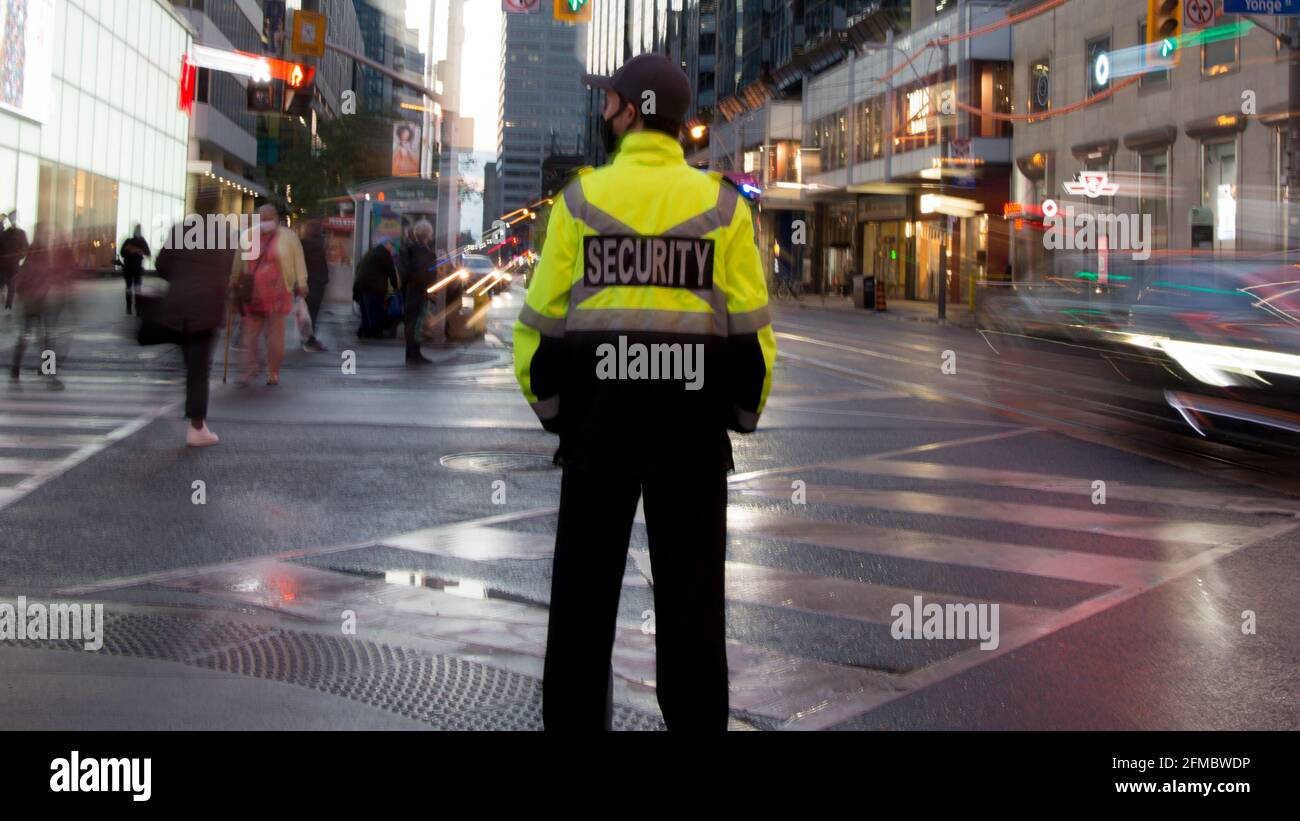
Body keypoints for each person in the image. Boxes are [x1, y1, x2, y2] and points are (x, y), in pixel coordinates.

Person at [513, 53, 777, 730]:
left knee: (580, 610)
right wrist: (734, 417)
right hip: (690, 445)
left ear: (632, 112)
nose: (604, 112)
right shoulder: (723, 207)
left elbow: (539, 337)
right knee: (692, 615)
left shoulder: (578, 202)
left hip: (598, 440)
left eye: (611, 103)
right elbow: (750, 342)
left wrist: (563, 418)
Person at [154, 223, 234, 447]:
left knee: (189, 360)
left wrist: (181, 279)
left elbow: (161, 265)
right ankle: (197, 427)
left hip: (179, 305)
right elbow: (227, 270)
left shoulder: (180, 231)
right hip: (206, 308)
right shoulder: (222, 236)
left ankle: (174, 397)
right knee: (199, 369)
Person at [230, 204, 308, 386]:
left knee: (274, 336)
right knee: (249, 335)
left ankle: (273, 371)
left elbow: (298, 260)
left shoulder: (288, 237)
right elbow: (238, 259)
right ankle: (248, 370)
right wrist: (233, 280)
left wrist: (302, 282)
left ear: (275, 218)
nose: (265, 222)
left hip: (278, 294)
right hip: (252, 293)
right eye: (262, 218)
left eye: (268, 218)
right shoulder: (248, 235)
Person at [10, 224, 77, 390]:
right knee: (42, 338)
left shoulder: (40, 250)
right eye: (46, 232)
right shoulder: (38, 250)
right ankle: (47, 375)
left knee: (35, 337)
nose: (48, 235)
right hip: (35, 299)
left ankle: (19, 370)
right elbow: (35, 273)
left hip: (37, 299)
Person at [402, 220, 436, 365]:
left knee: (411, 322)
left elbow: (407, 271)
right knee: (417, 323)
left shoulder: (409, 248)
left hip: (411, 290)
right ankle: (414, 353)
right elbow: (424, 273)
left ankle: (411, 353)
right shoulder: (424, 252)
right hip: (420, 291)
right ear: (428, 234)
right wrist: (428, 289)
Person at [353, 240, 398, 338]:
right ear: (386, 245)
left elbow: (358, 267)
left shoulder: (370, 252)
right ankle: (375, 333)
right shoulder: (384, 254)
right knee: (374, 311)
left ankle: (366, 332)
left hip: (360, 285)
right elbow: (391, 272)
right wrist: (396, 288)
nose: (392, 249)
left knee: (365, 311)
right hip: (372, 287)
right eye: (391, 246)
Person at [298, 218, 329, 352]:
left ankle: (307, 338)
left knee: (308, 313)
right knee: (311, 313)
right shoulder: (313, 244)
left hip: (311, 282)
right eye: (320, 227)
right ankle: (309, 340)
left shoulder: (304, 244)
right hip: (313, 283)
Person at [119, 224, 152, 315]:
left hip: (135, 268)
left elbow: (148, 253)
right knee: (131, 287)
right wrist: (129, 250)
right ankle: (130, 308)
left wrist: (137, 250)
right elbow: (122, 253)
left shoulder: (141, 241)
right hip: (129, 268)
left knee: (135, 288)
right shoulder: (129, 241)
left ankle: (135, 308)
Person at [0, 211, 29, 311]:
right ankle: (8, 303)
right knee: (8, 284)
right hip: (8, 264)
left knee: (10, 285)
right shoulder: (8, 234)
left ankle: (8, 303)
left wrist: (18, 257)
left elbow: (25, 248)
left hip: (9, 264)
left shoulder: (16, 234)